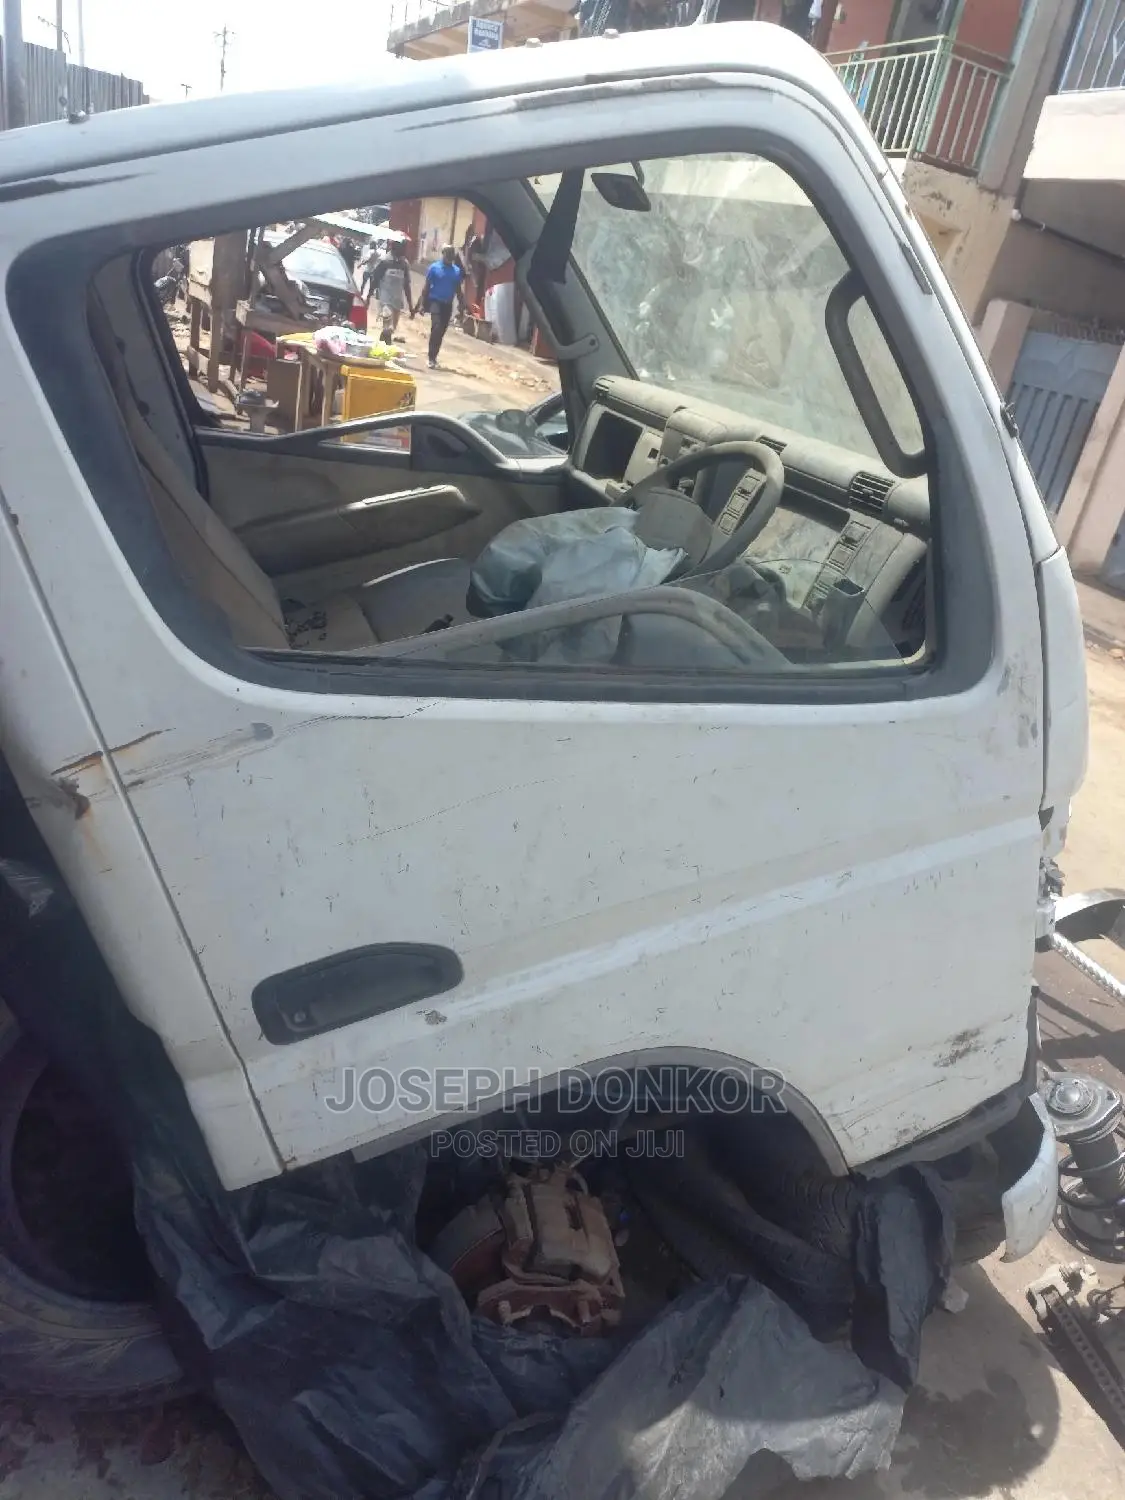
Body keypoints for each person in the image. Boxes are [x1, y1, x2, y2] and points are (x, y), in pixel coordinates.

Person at [415, 244, 464, 368]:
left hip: (448, 305)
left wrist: (462, 308)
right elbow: (426, 288)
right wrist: (421, 305)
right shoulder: (434, 268)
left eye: (452, 254)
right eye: (448, 254)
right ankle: (431, 358)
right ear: (443, 254)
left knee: (441, 331)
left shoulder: (456, 271)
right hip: (435, 302)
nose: (450, 257)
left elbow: (458, 290)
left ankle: (434, 356)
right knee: (436, 327)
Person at [364, 241, 414, 342]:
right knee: (387, 327)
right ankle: (386, 347)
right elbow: (375, 280)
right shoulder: (384, 262)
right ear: (394, 247)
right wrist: (368, 297)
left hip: (397, 302)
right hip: (385, 301)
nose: (404, 250)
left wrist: (411, 306)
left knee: (391, 330)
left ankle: (382, 346)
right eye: (402, 247)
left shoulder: (404, 264)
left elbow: (406, 286)